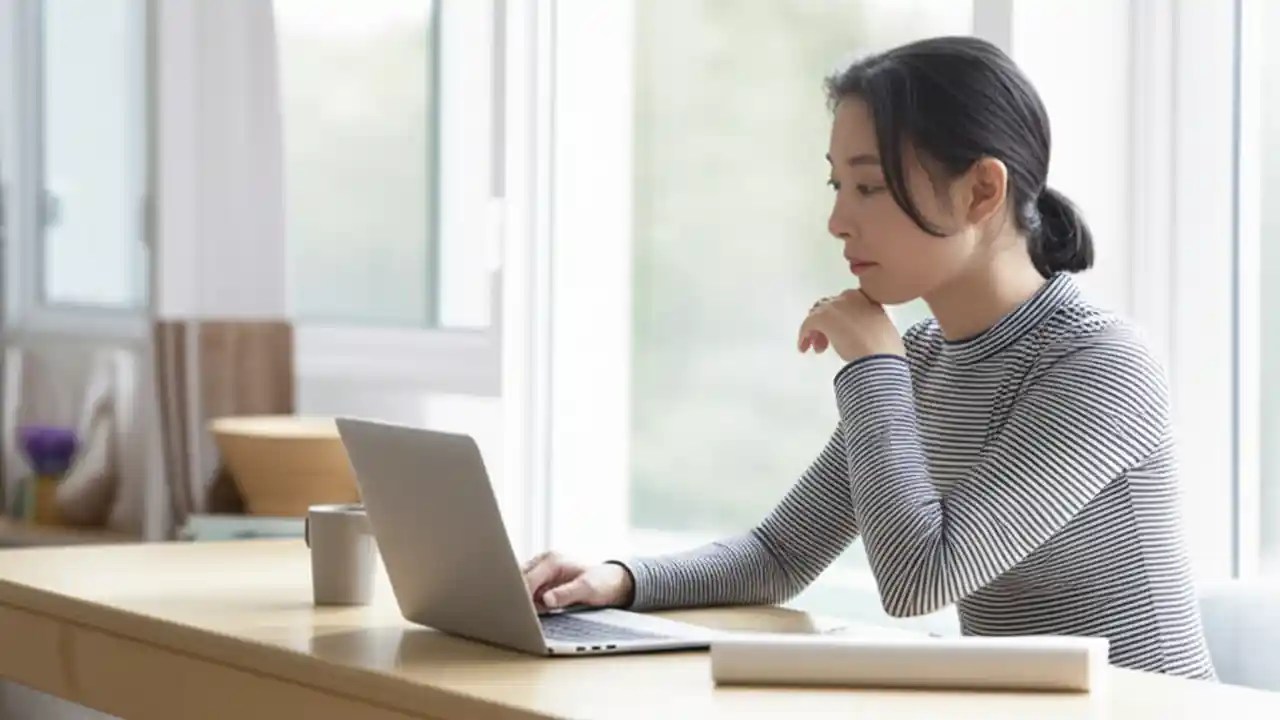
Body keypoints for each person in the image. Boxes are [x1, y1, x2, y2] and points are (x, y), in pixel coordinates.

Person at [520, 36, 1216, 679]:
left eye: (870, 186)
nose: (837, 221)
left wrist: (872, 368)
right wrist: (620, 580)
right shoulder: (919, 356)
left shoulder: (1098, 362)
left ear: (982, 191)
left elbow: (920, 579)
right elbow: (781, 553)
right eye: (837, 186)